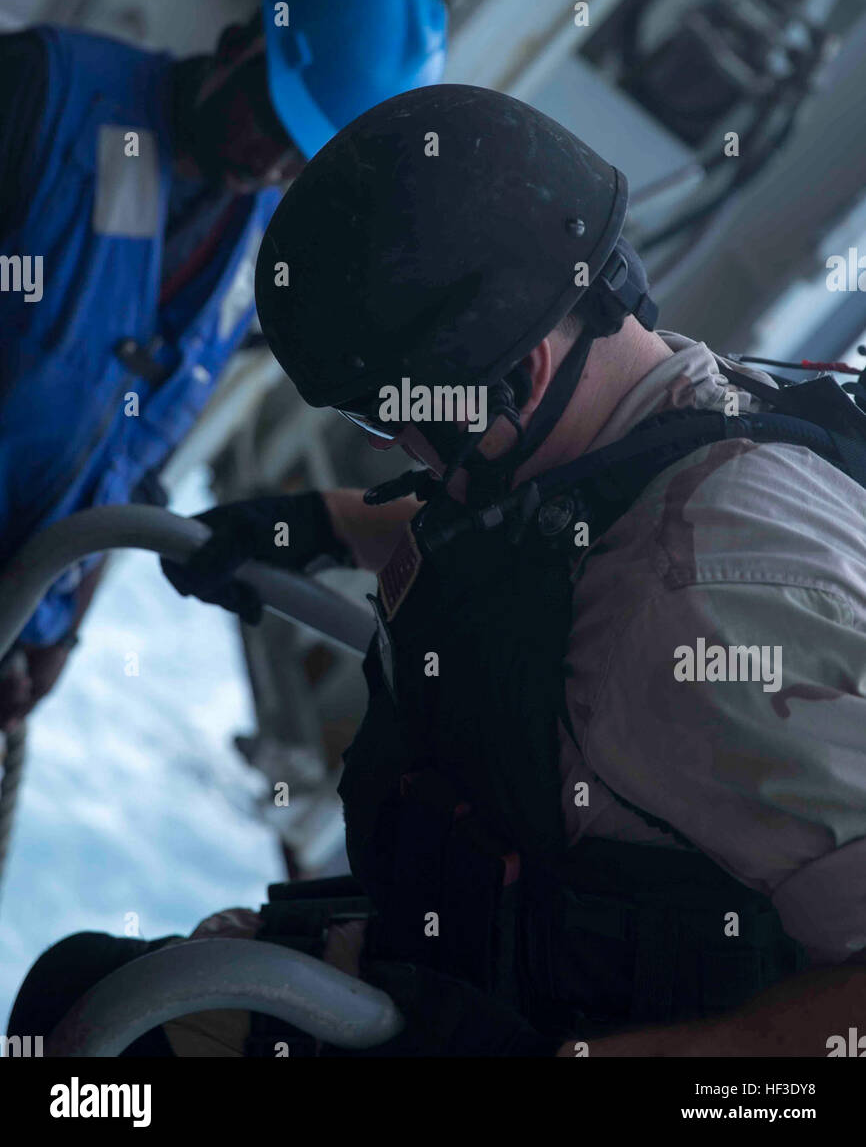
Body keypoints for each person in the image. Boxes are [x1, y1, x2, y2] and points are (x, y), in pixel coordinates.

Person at [11, 84, 866, 1057]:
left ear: (517, 378)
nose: (397, 448)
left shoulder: (698, 606)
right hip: (445, 962)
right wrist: (317, 526)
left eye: (389, 417)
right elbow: (553, 537)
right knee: (76, 998)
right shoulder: (692, 404)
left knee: (96, 1039)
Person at [0, 0, 448, 729]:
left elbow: (133, 458)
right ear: (242, 42)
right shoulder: (39, 96)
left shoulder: (259, 263)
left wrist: (57, 639)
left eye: (300, 156)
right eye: (272, 119)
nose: (270, 163)